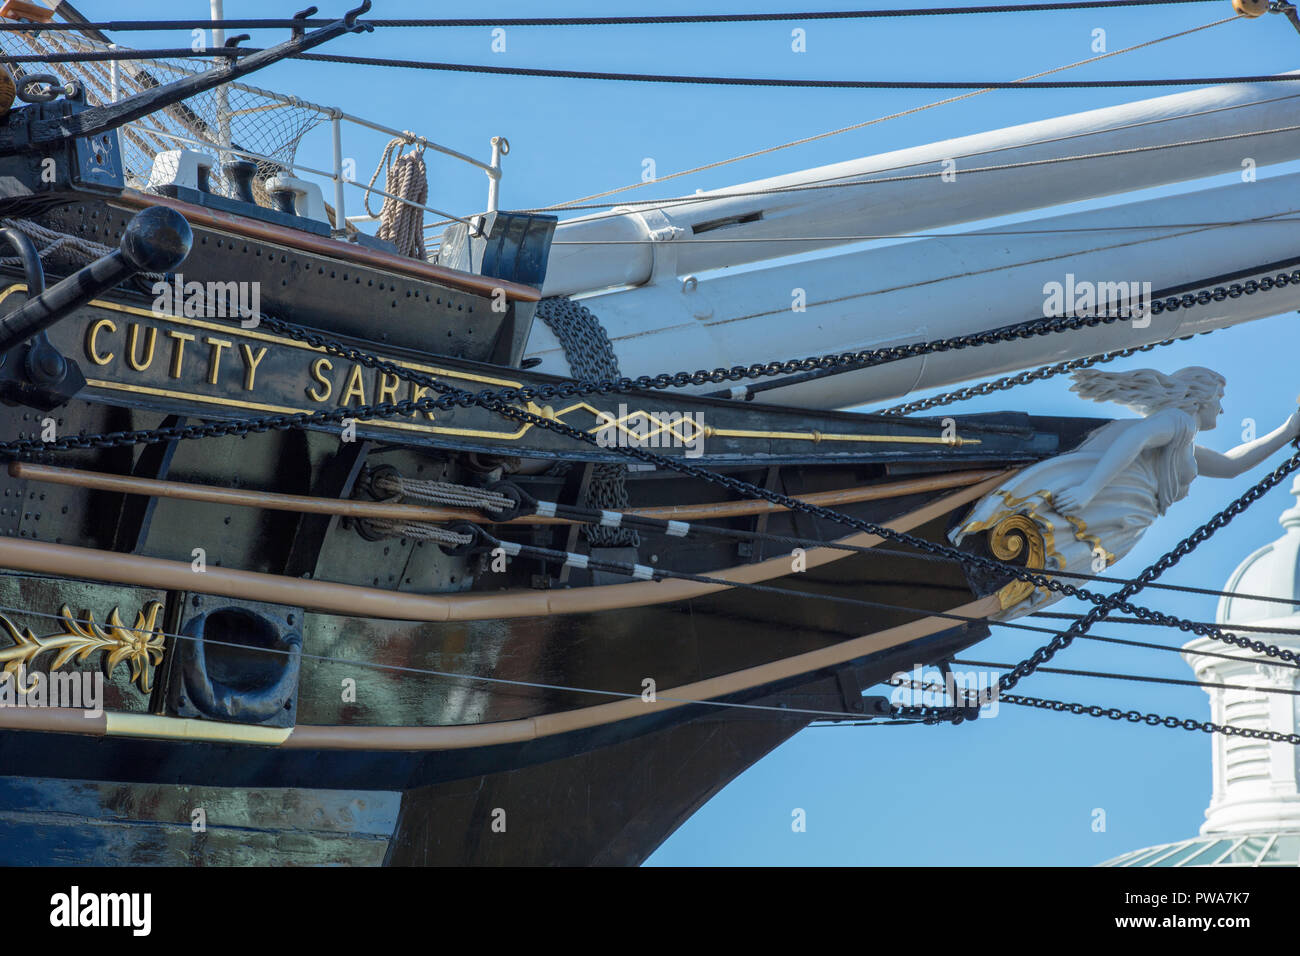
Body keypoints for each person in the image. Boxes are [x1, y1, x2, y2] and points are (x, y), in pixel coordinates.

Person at [949, 366, 1300, 616]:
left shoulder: (1183, 440)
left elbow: (1229, 466)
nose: (1222, 409)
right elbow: (1137, 438)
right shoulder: (1177, 422)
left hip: (1114, 521)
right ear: (1200, 399)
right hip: (1104, 508)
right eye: (1219, 399)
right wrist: (1088, 490)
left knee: (1053, 569)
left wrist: (1287, 431)